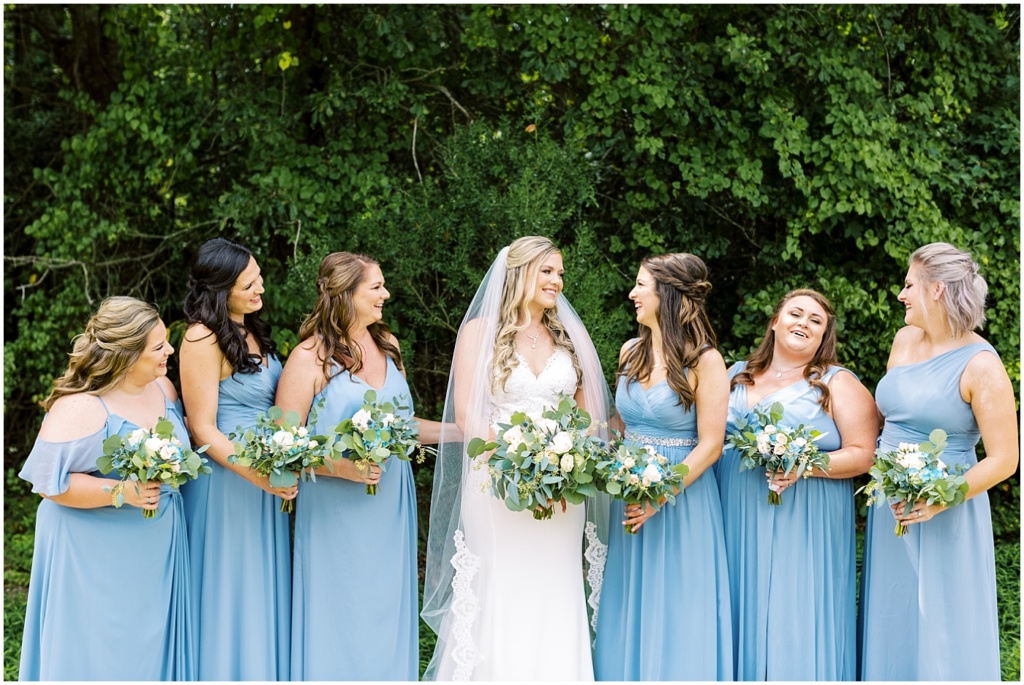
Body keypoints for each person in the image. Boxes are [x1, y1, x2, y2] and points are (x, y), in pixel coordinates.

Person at [422, 235, 612, 681]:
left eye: (560, 273)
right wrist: (521, 468)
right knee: (501, 587)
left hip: (563, 490)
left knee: (555, 588)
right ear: (519, 272)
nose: (557, 281)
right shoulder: (478, 333)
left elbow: (589, 419)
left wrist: (561, 473)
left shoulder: (571, 336)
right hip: (496, 484)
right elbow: (468, 414)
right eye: (547, 271)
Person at [276, 251, 442, 681]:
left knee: (385, 607)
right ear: (345, 294)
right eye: (376, 286)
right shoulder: (309, 358)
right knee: (342, 608)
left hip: (390, 504)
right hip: (335, 510)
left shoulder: (388, 346)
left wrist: (465, 430)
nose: (386, 294)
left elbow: (404, 426)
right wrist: (341, 467)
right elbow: (284, 447)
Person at [859, 243, 1017, 680]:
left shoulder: (981, 364)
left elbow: (1005, 458)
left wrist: (943, 498)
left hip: (944, 506)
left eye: (909, 285)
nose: (900, 294)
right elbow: (888, 417)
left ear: (938, 290)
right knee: (895, 607)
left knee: (944, 619)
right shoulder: (905, 339)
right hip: (889, 503)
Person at [18, 297, 196, 680]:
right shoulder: (81, 407)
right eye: (158, 346)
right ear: (128, 355)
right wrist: (123, 492)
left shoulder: (164, 390)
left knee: (147, 651)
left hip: (154, 548)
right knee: (101, 651)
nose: (170, 350)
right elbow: (51, 486)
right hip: (92, 554)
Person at [716, 288, 878, 680]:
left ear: (824, 337)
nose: (803, 323)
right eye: (795, 314)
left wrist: (805, 464)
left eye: (815, 321)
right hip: (733, 511)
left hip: (804, 518)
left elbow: (864, 454)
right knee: (739, 601)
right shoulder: (733, 373)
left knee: (794, 607)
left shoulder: (837, 383)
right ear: (775, 321)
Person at [594, 253, 733, 680]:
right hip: (630, 492)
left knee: (679, 600)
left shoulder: (705, 360)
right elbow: (619, 426)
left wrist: (661, 493)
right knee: (631, 597)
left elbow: (711, 445)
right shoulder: (629, 351)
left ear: (667, 293)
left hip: (682, 497)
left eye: (641, 285)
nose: (632, 293)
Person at [178, 237, 293, 680]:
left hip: (264, 477)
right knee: (230, 588)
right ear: (222, 287)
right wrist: (259, 476)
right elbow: (202, 427)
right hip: (228, 482)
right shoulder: (201, 338)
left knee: (258, 588)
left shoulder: (249, 329)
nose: (261, 287)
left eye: (260, 276)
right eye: (250, 281)